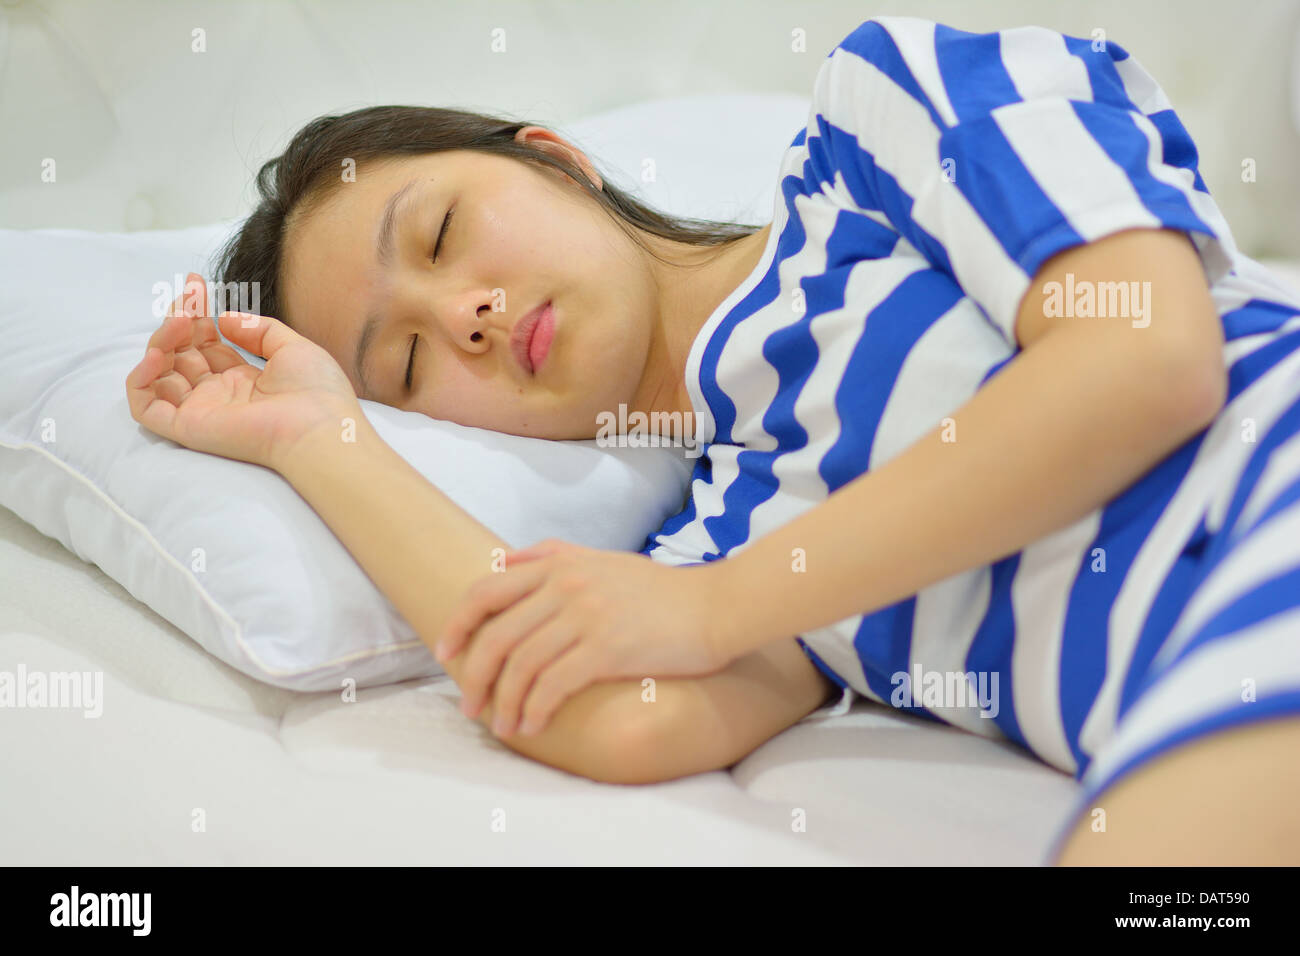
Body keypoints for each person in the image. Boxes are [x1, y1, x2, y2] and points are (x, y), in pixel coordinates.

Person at [126, 16, 1300, 864]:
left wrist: (717, 605)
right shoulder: (727, 525)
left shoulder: (880, 121)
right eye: (407, 363)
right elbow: (620, 713)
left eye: (438, 234)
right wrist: (320, 436)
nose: (464, 314)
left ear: (554, 158)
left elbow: (1145, 358)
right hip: (1190, 686)